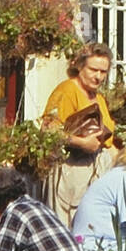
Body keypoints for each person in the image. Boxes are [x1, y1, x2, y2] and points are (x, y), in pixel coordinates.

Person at [42, 42, 117, 225]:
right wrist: (81, 143)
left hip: (92, 173)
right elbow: (47, 130)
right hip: (68, 171)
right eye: (93, 70)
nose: (98, 77)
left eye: (103, 72)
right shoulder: (66, 91)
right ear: (80, 66)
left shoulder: (98, 98)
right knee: (65, 228)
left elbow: (107, 141)